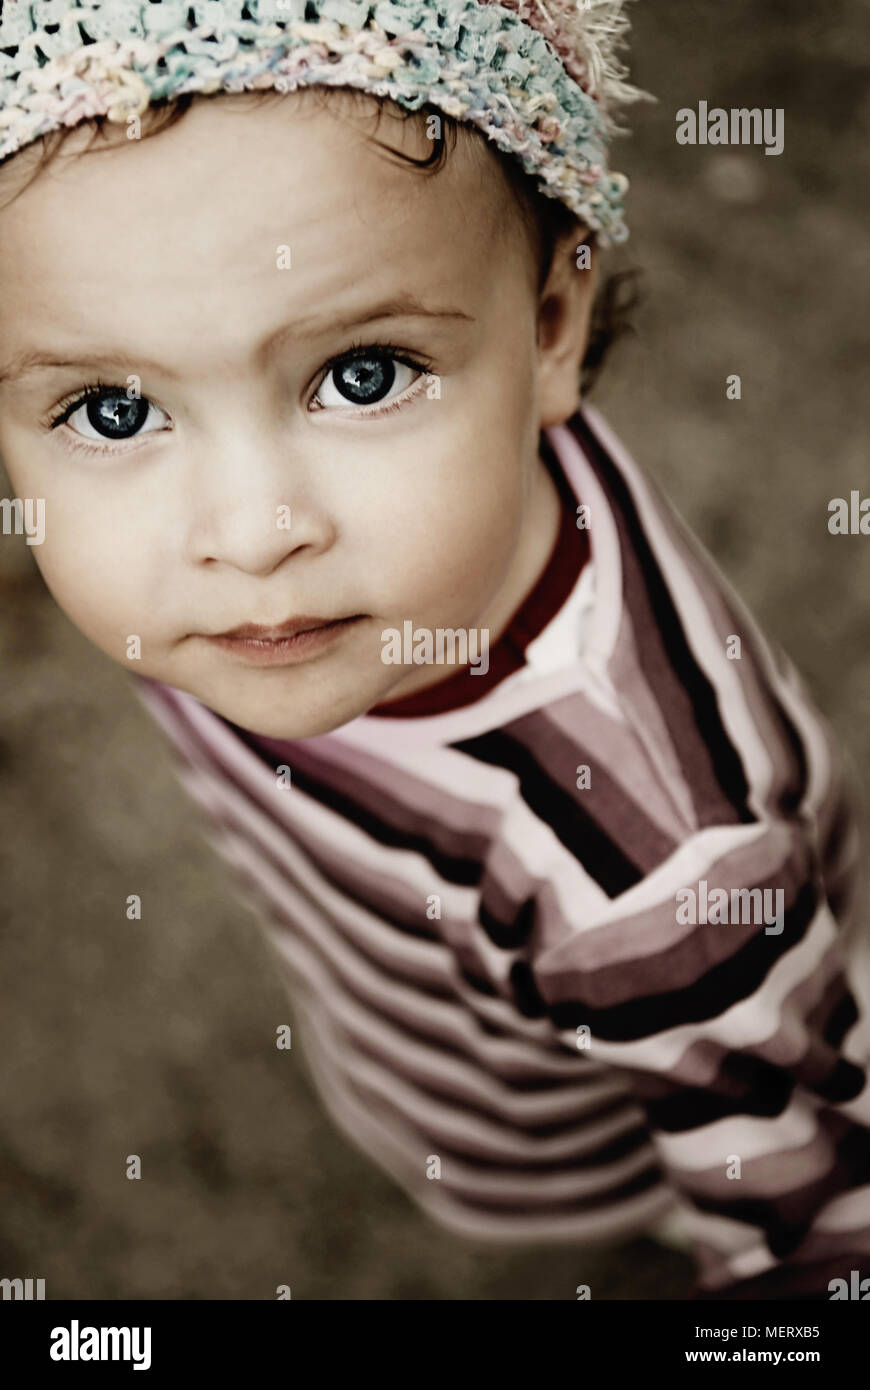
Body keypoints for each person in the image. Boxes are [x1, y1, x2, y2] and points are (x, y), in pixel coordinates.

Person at [1, 0, 868, 1300]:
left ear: (547, 329)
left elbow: (812, 1231)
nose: (248, 535)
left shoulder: (658, 880)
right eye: (113, 408)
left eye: (360, 376)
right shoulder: (281, 597)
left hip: (593, 1129)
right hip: (408, 1010)